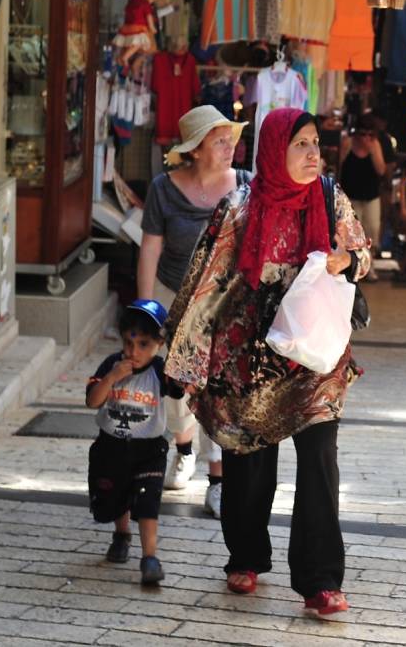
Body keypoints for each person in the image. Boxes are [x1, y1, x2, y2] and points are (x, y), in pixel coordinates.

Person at [165, 107, 371, 619]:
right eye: (300, 144)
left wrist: (347, 261)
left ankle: (321, 581)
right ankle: (246, 556)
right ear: (276, 150)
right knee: (248, 460)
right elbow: (206, 283)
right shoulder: (239, 208)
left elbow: (363, 254)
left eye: (315, 144)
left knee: (320, 460)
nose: (312, 154)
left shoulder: (330, 198)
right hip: (250, 359)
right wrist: (186, 359)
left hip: (315, 360)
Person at [138, 105, 249, 515]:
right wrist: (146, 311)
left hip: (223, 303)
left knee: (215, 389)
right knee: (175, 387)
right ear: (195, 149)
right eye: (219, 141)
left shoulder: (246, 185)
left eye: (230, 139)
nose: (229, 147)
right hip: (172, 296)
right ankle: (183, 449)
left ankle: (217, 479)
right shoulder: (163, 189)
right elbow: (150, 249)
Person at [85, 299, 184, 586]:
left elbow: (178, 389)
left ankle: (150, 558)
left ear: (159, 344)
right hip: (111, 447)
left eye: (143, 344)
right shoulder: (111, 365)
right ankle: (122, 534)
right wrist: (112, 377)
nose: (134, 352)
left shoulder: (160, 370)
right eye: (129, 343)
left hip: (149, 450)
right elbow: (93, 401)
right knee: (116, 497)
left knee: (148, 502)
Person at [339, 117, 386, 279]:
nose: (366, 138)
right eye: (362, 134)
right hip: (351, 196)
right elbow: (339, 166)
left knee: (372, 230)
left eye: (370, 134)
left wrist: (372, 151)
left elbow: (381, 170)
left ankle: (369, 266)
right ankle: (353, 267)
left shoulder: (375, 145)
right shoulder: (348, 143)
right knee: (352, 234)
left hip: (371, 196)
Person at [114, 0, 161, 72]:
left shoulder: (132, 0)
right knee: (138, 44)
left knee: (129, 44)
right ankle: (125, 57)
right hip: (138, 28)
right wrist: (152, 28)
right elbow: (148, 17)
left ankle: (122, 59)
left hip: (127, 27)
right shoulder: (145, 3)